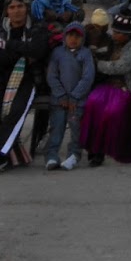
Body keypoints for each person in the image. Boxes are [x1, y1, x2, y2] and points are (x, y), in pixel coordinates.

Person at [0, 0, 51, 172]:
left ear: (27, 9)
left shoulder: (38, 28)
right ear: (6, 11)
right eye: (12, 7)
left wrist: (9, 45)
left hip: (28, 78)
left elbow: (37, 50)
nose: (16, 11)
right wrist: (23, 52)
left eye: (20, 6)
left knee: (17, 111)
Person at [79, 11, 131, 165]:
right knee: (92, 103)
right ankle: (94, 151)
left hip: (126, 88)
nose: (114, 34)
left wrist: (97, 64)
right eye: (114, 31)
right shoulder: (109, 42)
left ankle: (111, 149)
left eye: (118, 32)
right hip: (107, 85)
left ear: (128, 34)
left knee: (112, 111)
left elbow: (120, 67)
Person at [44, 22, 95, 170]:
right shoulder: (58, 53)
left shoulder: (85, 54)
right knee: (56, 128)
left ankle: (73, 155)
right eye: (70, 35)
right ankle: (52, 156)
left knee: (76, 129)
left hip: (77, 102)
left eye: (77, 36)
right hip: (59, 101)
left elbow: (88, 77)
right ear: (65, 36)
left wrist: (74, 96)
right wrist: (61, 95)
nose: (73, 39)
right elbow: (52, 76)